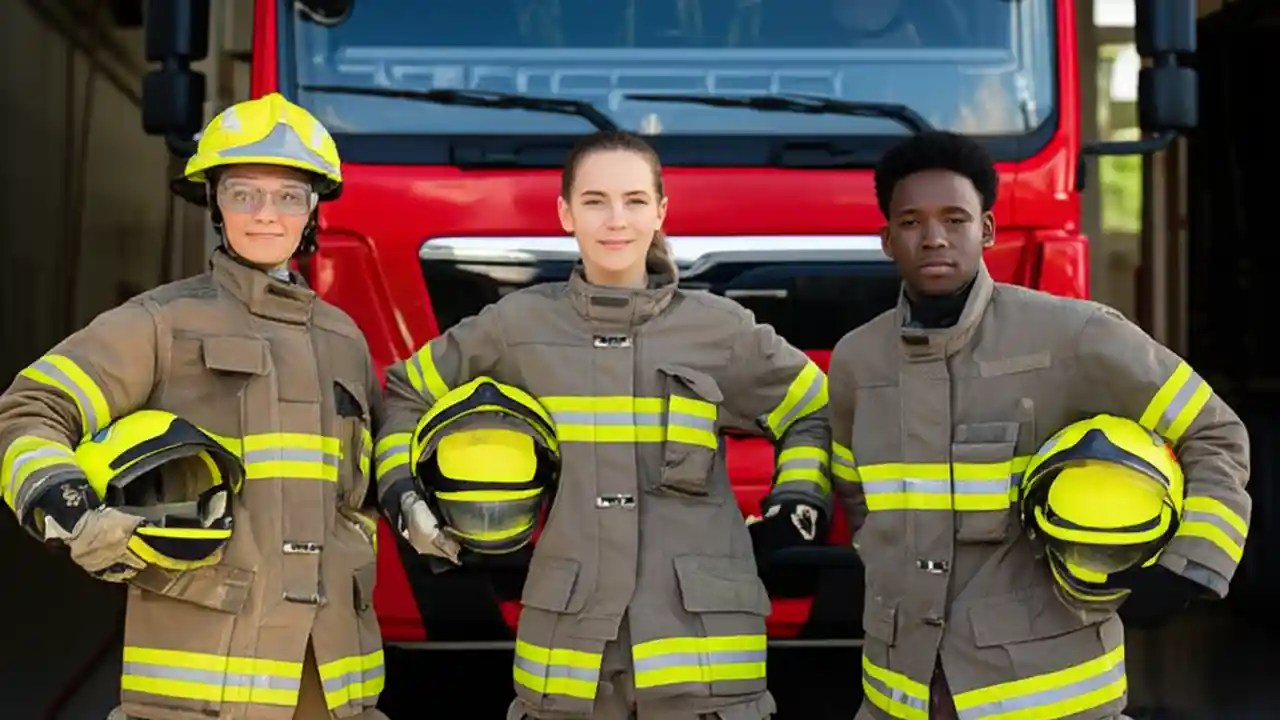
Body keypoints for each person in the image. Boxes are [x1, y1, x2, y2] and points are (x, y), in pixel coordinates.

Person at [373, 130, 832, 720]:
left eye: (635, 201)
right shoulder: (517, 326)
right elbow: (406, 391)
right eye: (595, 201)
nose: (616, 220)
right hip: (570, 657)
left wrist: (796, 502)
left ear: (661, 212)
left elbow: (812, 408)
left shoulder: (723, 331)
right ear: (565, 213)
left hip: (708, 659)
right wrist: (405, 495)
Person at [827, 131, 1251, 720]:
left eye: (955, 218)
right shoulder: (857, 361)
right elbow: (860, 498)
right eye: (910, 222)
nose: (934, 237)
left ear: (989, 231)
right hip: (900, 696)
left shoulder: (1075, 337)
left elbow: (1214, 433)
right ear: (885, 239)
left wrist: (1192, 563)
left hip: (1055, 697)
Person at [0, 93, 389, 720]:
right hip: (204, 684)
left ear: (314, 206)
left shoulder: (343, 339)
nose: (266, 214)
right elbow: (28, 410)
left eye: (289, 196)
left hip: (336, 685)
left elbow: (363, 487)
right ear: (214, 202)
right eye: (243, 194)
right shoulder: (160, 324)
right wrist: (72, 513)